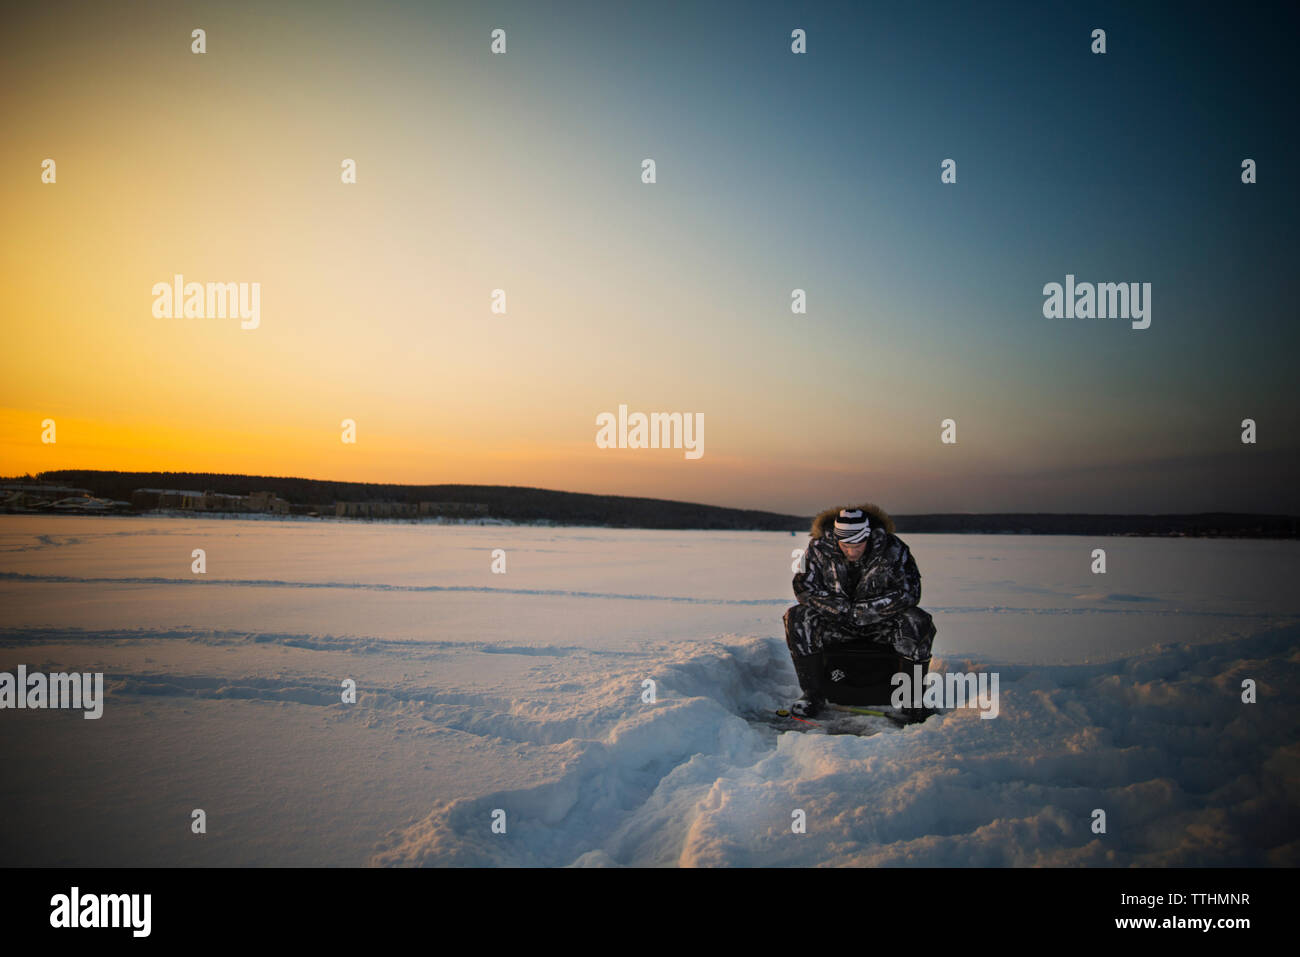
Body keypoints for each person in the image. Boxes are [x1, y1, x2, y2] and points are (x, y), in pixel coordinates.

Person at [783, 504, 936, 717]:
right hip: (836, 624)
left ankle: (913, 699)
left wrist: (867, 611)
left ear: (869, 536)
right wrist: (841, 609)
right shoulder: (817, 549)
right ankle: (813, 694)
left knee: (917, 620)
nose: (852, 551)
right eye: (845, 545)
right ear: (836, 538)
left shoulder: (894, 549)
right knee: (798, 616)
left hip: (882, 625)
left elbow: (910, 592)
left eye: (858, 544)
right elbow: (803, 588)